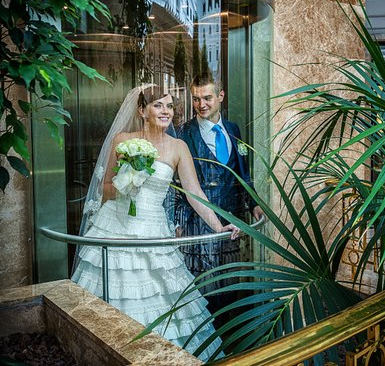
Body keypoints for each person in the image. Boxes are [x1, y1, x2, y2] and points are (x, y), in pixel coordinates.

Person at [71, 84, 240, 361]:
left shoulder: (178, 147)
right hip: (115, 226)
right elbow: (105, 189)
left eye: (169, 106)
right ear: (142, 110)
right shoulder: (122, 140)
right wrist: (127, 183)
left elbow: (195, 193)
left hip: (154, 230)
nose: (166, 111)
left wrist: (219, 226)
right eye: (158, 105)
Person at [175, 73, 263, 316]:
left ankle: (229, 334)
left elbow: (242, 173)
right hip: (198, 225)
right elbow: (176, 185)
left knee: (230, 285)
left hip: (233, 223)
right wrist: (177, 223)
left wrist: (254, 203)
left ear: (221, 96)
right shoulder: (183, 133)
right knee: (204, 291)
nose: (201, 104)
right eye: (196, 99)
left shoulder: (233, 129)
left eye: (207, 98)